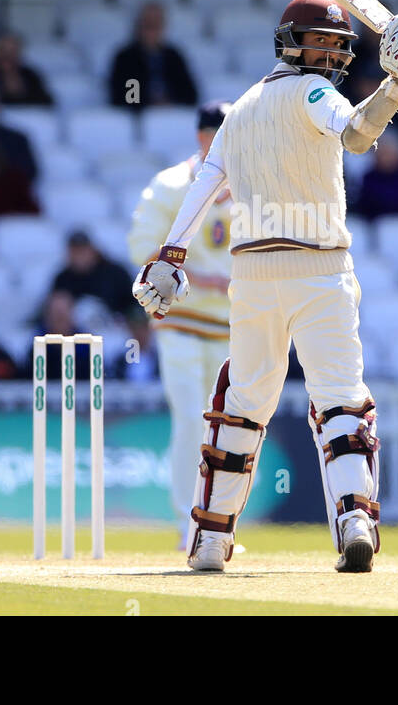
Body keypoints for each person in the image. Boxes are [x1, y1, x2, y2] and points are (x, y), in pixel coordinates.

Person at [131, 0, 398, 573]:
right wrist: (397, 83)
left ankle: (212, 539)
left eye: (338, 47)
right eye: (321, 43)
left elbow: (205, 186)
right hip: (320, 270)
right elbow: (360, 135)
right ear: (292, 43)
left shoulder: (237, 111)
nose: (331, 56)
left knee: (243, 403)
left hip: (254, 277)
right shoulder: (316, 92)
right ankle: (354, 519)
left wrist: (172, 253)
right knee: (341, 399)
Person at [127, 100, 233, 545]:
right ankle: (186, 522)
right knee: (191, 419)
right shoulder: (171, 185)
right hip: (180, 322)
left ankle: (218, 524)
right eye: (218, 135)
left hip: (232, 328)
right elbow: (141, 249)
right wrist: (196, 276)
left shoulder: (252, 192)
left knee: (227, 426)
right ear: (201, 137)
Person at [108, 1, 198, 108]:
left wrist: (169, 100)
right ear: (139, 25)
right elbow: (123, 96)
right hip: (139, 117)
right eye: (148, 24)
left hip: (171, 113)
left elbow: (190, 94)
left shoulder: (174, 57)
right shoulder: (126, 57)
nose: (152, 29)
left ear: (163, 26)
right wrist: (148, 102)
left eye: (156, 24)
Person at [51, 230, 136, 320]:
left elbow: (134, 306)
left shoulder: (115, 274)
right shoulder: (62, 279)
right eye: (75, 252)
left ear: (92, 251)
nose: (79, 257)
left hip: (116, 329)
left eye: (82, 251)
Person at [352, 131, 398, 221]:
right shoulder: (368, 178)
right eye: (381, 153)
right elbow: (364, 211)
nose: (385, 157)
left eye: (388, 152)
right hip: (376, 229)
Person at [22, 291, 90, 382]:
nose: (58, 321)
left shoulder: (87, 349)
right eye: (55, 315)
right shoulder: (36, 350)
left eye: (62, 316)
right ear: (47, 317)